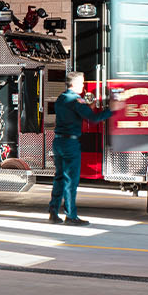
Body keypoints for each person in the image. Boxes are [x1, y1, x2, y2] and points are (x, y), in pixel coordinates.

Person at [48, 70, 117, 225]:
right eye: (82, 82)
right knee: (71, 181)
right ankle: (71, 216)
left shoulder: (61, 98)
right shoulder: (76, 101)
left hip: (58, 142)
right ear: (74, 84)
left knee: (59, 178)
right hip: (70, 144)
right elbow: (93, 119)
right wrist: (111, 110)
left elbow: (73, 114)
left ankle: (53, 212)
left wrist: (87, 106)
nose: (83, 85)